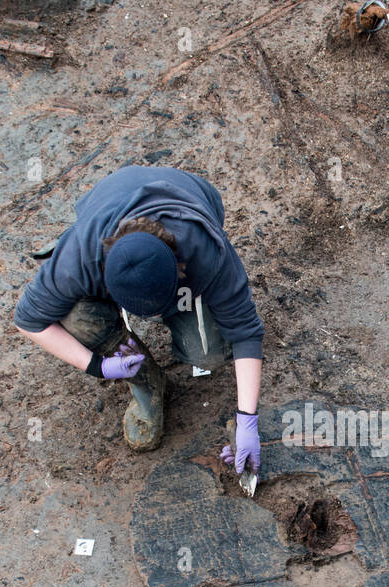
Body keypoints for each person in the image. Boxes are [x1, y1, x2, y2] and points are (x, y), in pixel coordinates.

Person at [14, 166, 263, 474]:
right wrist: (99, 366)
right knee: (72, 314)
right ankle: (147, 383)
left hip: (189, 202)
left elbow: (245, 331)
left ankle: (181, 312)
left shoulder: (205, 250)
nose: (153, 318)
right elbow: (29, 321)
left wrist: (246, 419)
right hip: (105, 207)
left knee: (209, 353)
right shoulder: (80, 258)